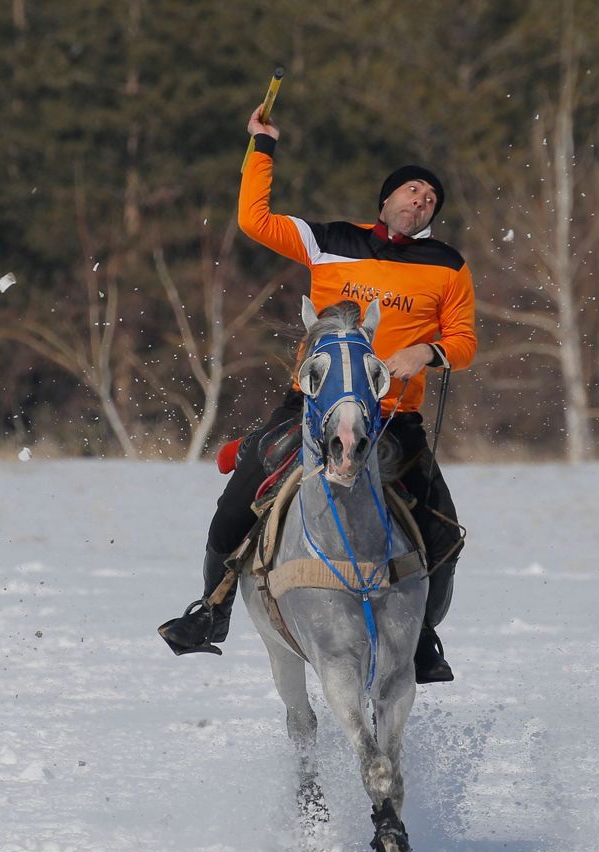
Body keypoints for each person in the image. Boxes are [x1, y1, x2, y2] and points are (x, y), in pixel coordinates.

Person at [158, 104, 477, 684]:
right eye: (411, 189)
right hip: (310, 410)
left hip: (392, 419)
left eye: (431, 197)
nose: (421, 199)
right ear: (384, 200)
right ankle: (212, 609)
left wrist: (424, 355)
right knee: (236, 504)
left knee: (444, 534)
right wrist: (262, 147)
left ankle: (422, 638)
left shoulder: (448, 266)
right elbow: (255, 220)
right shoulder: (332, 241)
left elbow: (464, 342)